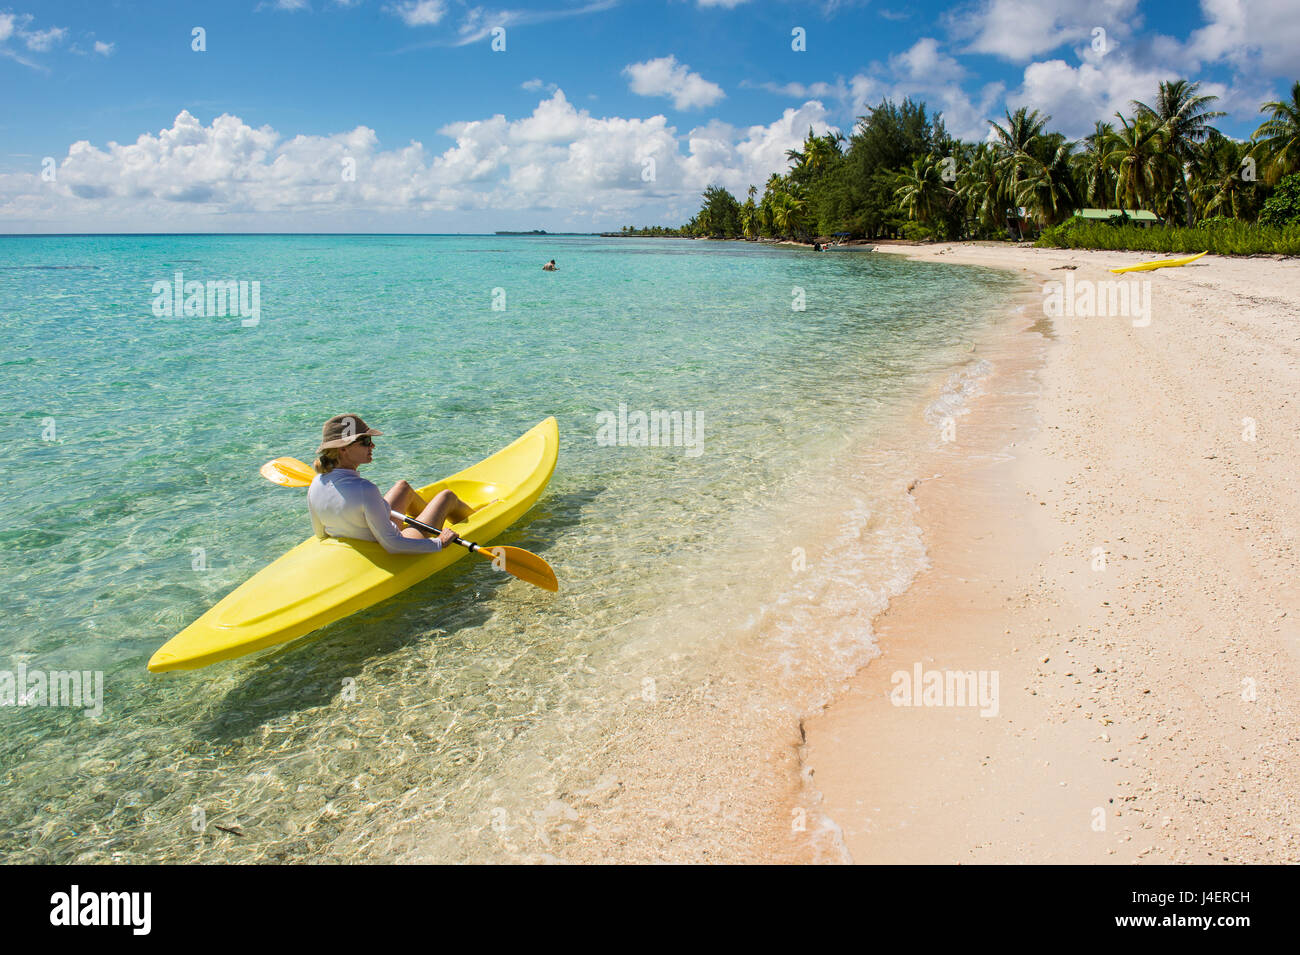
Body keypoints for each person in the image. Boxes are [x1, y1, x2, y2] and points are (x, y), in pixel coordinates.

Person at [307, 414, 471, 554]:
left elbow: (320, 533)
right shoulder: (365, 489)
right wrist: (439, 543)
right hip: (388, 544)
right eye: (365, 441)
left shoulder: (316, 483)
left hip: (371, 532)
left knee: (403, 487)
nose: (372, 445)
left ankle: (431, 520)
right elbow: (392, 545)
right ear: (343, 449)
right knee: (446, 497)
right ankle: (479, 517)